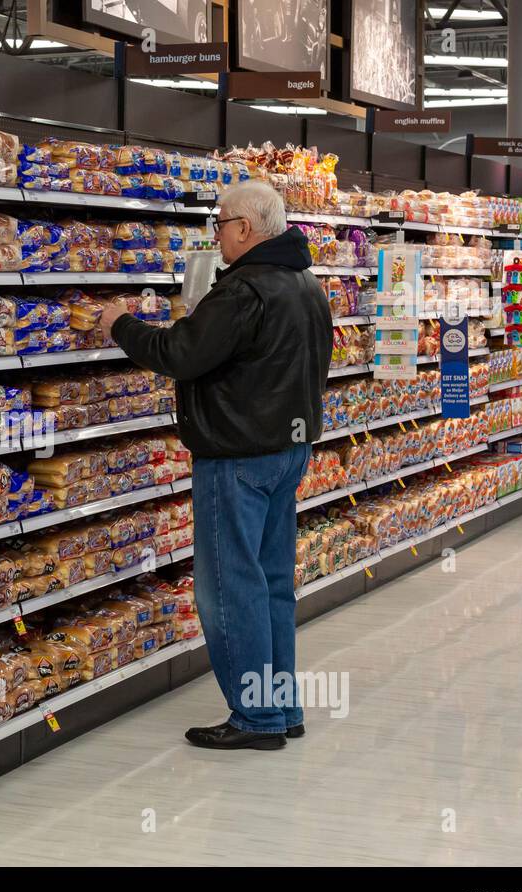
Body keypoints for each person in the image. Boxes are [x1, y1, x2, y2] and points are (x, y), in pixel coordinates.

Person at [100, 181, 331, 751]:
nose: (216, 235)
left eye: (220, 224)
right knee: (273, 583)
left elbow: (179, 354)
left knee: (229, 588)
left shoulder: (244, 291)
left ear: (246, 229)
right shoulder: (306, 285)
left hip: (237, 458)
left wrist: (120, 324)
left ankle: (255, 718)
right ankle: (282, 709)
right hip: (288, 452)